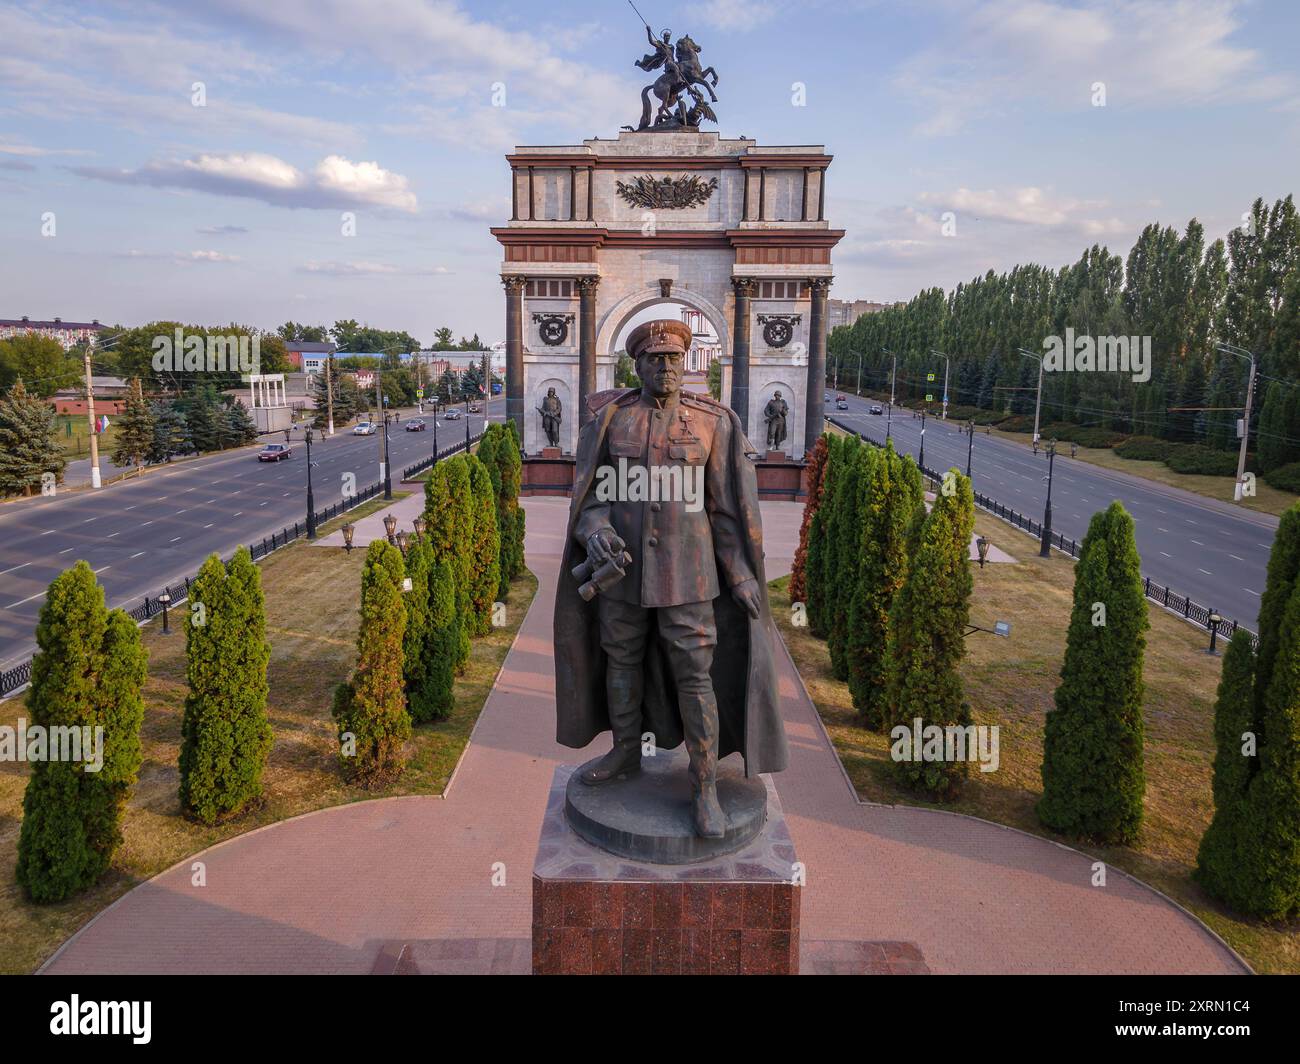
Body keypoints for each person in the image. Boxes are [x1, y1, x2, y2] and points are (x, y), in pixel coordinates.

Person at [553, 319, 787, 837]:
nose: (665, 368)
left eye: (673, 359)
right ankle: (624, 753)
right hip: (623, 577)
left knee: (695, 677)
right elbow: (593, 499)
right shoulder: (612, 420)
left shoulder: (712, 423)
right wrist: (593, 531)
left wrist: (742, 575)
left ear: (686, 362)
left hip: (689, 576)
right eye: (655, 359)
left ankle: (704, 785)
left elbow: (725, 511)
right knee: (621, 663)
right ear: (635, 365)